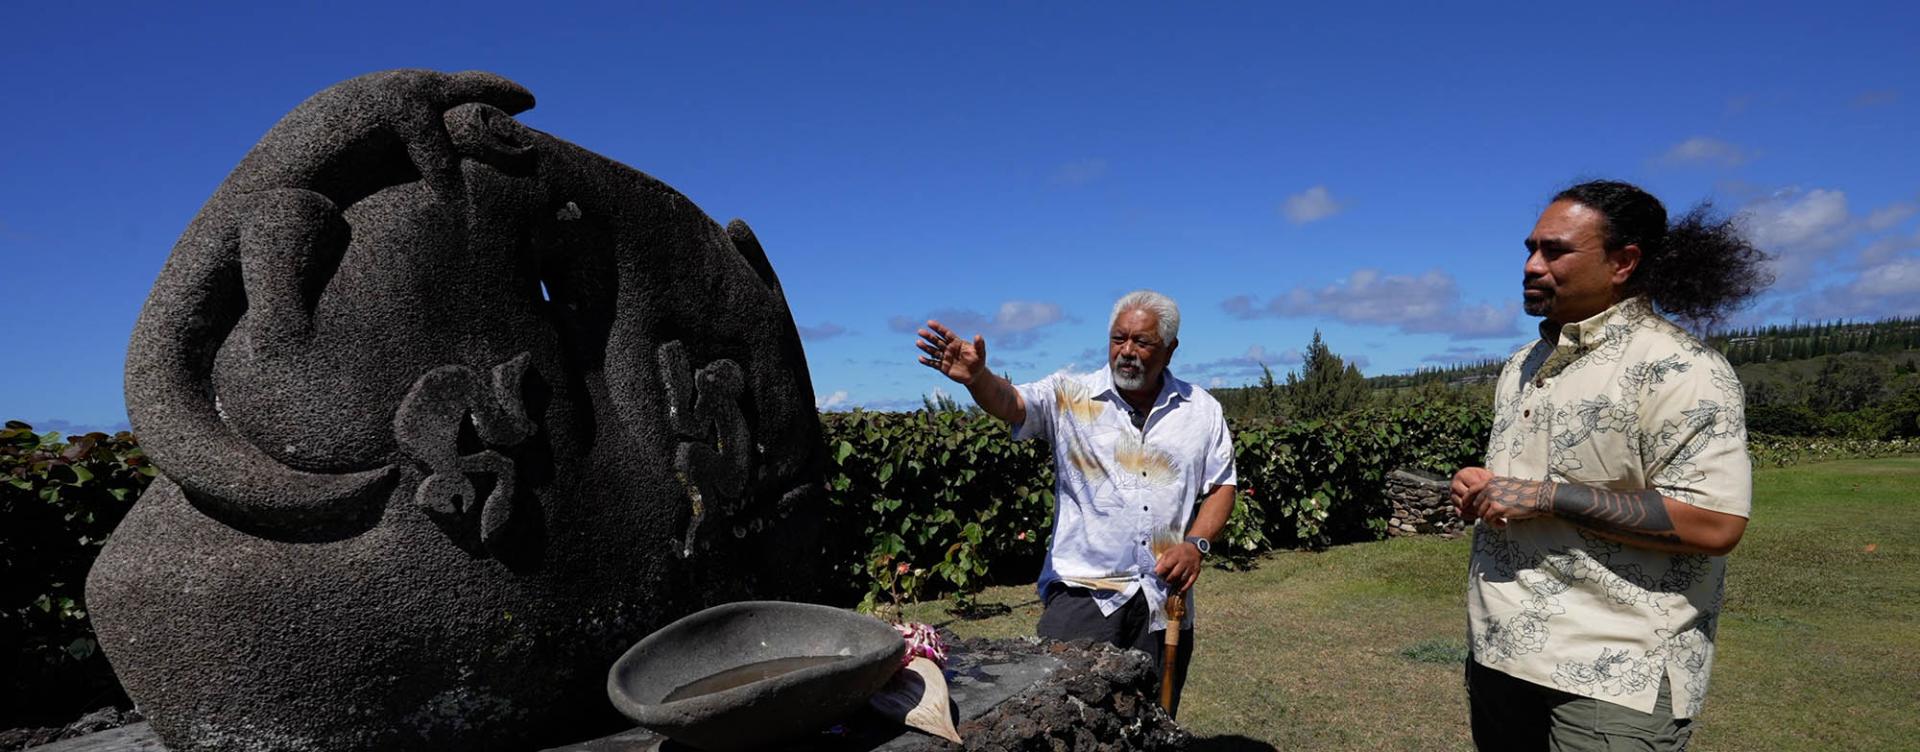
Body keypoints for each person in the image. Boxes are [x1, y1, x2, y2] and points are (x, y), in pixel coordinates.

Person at [1452, 180, 1772, 750]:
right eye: (1530, 248)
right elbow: (1521, 486)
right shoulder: (1524, 364)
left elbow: (1716, 524)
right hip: (1501, 652)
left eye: (1555, 251)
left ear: (1623, 262)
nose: (1531, 265)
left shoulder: (1682, 370)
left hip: (1614, 676)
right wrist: (1485, 486)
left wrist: (1545, 496)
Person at [915, 289, 1235, 717]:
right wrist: (978, 378)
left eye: (1142, 342)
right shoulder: (1070, 395)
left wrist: (1195, 545)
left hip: (1163, 602)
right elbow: (1012, 403)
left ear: (1170, 349)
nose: (1127, 352)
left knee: (1153, 724)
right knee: (1064, 723)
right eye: (1118, 338)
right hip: (1083, 598)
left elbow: (1221, 486)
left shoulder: (1202, 411)